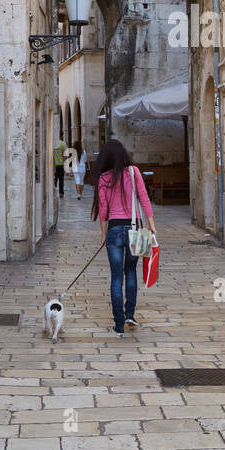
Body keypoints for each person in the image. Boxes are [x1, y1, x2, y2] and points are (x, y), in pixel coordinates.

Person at [91, 139, 154, 336]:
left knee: (116, 277)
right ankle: (130, 315)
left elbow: (103, 210)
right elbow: (144, 198)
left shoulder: (103, 178)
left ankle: (118, 324)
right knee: (131, 271)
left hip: (114, 230)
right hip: (136, 228)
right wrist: (152, 225)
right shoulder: (134, 173)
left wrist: (103, 234)